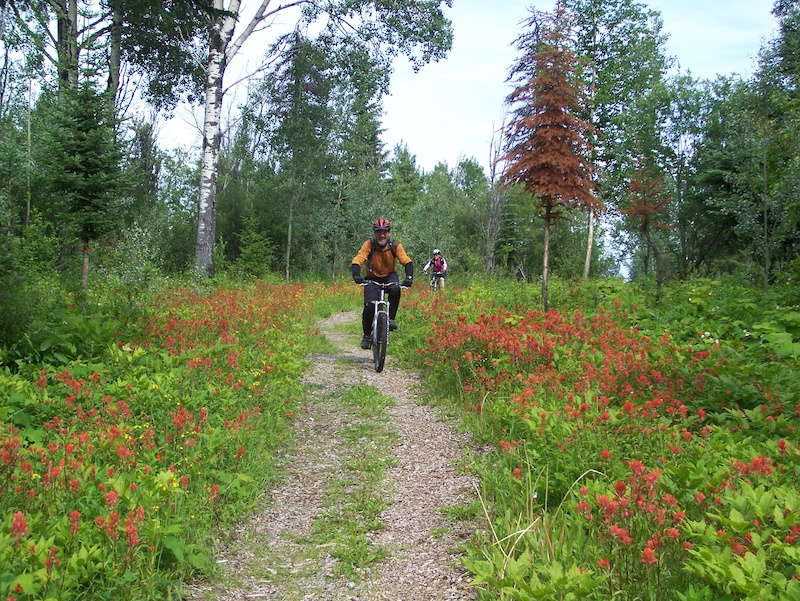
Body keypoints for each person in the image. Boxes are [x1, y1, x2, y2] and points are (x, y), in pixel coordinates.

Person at [351, 218, 414, 350]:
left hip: (389, 275)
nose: (382, 235)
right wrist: (356, 275)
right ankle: (366, 336)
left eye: (385, 232)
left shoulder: (394, 245)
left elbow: (406, 260)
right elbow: (358, 258)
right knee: (369, 307)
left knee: (395, 289)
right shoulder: (369, 244)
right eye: (379, 232)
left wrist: (409, 277)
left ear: (388, 233)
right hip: (372, 276)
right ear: (375, 233)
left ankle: (390, 319)